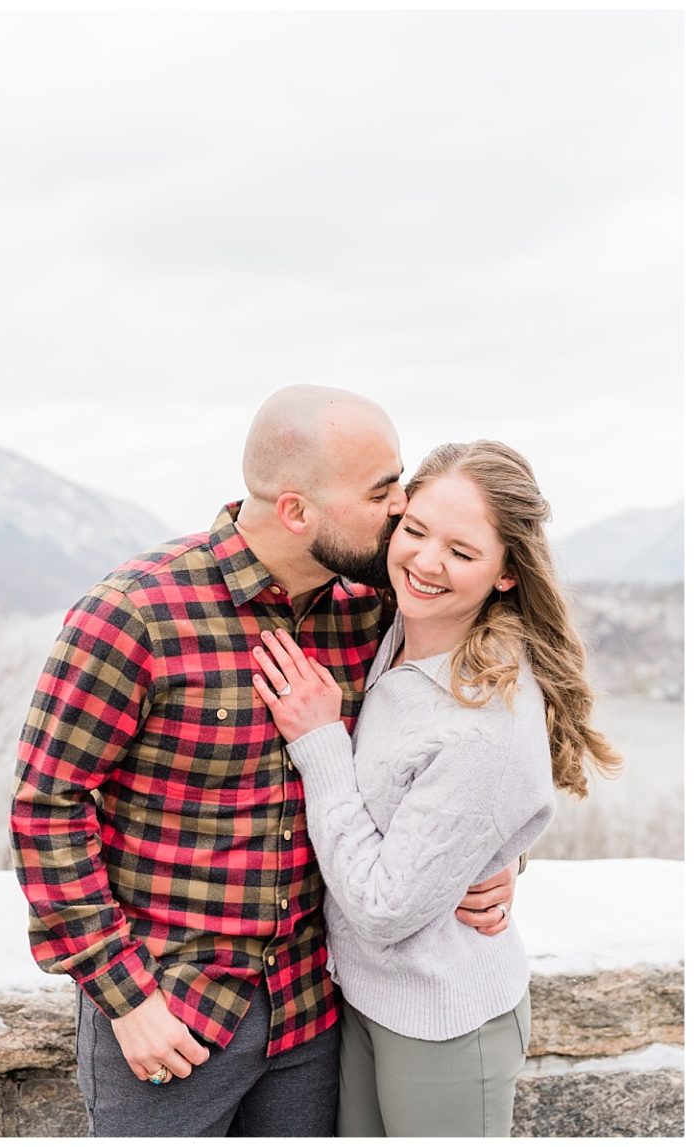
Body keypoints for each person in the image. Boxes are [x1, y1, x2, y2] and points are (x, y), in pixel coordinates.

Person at [10, 385, 517, 1137]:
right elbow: (47, 807)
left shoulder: (377, 610)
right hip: (170, 1015)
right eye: (381, 490)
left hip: (313, 1014)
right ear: (297, 511)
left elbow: (470, 743)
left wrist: (495, 855)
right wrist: (127, 998)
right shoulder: (135, 613)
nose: (402, 506)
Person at [251, 439, 620, 1136]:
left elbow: (385, 908)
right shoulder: (399, 627)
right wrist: (491, 856)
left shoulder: (481, 720)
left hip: (445, 1021)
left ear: (506, 573)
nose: (425, 562)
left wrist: (319, 742)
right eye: (415, 531)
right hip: (363, 996)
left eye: (461, 551)